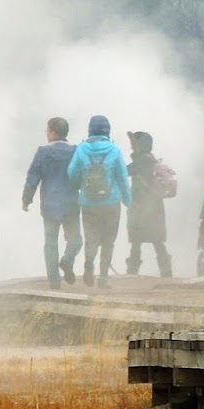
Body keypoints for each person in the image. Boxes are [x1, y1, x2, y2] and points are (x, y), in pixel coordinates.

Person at [66, 114, 131, 286]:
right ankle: (103, 277)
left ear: (90, 130)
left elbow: (72, 173)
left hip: (88, 203)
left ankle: (88, 264)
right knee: (109, 240)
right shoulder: (115, 150)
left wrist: (80, 184)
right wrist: (128, 200)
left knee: (91, 237)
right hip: (112, 203)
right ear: (107, 131)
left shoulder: (81, 149)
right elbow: (123, 178)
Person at [21, 116, 81, 288]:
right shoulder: (75, 151)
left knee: (50, 243)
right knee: (76, 239)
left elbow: (33, 177)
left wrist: (26, 199)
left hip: (50, 204)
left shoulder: (43, 152)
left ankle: (54, 282)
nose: (46, 133)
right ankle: (67, 260)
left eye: (47, 130)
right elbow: (81, 175)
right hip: (71, 203)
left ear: (53, 133)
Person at [124, 130, 172, 277]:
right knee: (157, 241)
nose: (131, 146)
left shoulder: (140, 162)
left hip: (141, 208)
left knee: (137, 241)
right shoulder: (152, 160)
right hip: (155, 208)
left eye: (133, 143)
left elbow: (124, 171)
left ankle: (132, 271)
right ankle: (166, 270)